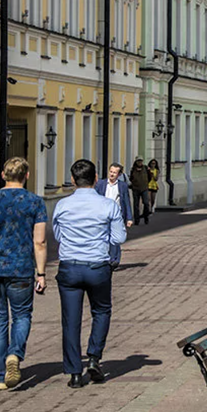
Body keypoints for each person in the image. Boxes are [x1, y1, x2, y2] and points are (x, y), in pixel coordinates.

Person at [52, 159, 127, 388]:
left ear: (73, 180)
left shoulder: (62, 205)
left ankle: (75, 373)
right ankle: (94, 357)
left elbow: (57, 235)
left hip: (70, 266)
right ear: (96, 179)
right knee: (102, 311)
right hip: (97, 266)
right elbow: (119, 238)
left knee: (71, 320)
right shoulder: (108, 205)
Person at [0, 157, 48, 390]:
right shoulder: (35, 202)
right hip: (21, 268)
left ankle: (1, 376)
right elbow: (39, 241)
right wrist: (41, 273)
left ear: (3, 175)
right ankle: (15, 354)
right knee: (21, 316)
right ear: (27, 176)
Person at [93, 163, 133, 268]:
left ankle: (115, 260)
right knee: (104, 237)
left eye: (114, 172)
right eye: (111, 171)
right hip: (103, 214)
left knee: (115, 237)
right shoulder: (100, 184)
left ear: (119, 174)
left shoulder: (122, 186)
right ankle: (106, 258)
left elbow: (126, 201)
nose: (111, 174)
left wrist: (129, 218)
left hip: (117, 215)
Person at [128, 159, 150, 226]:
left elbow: (150, 177)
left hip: (144, 188)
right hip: (135, 189)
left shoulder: (145, 168)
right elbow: (131, 178)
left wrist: (146, 183)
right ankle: (137, 219)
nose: (140, 163)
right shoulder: (133, 170)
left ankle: (146, 216)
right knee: (136, 205)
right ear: (136, 162)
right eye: (138, 161)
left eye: (141, 161)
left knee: (146, 203)